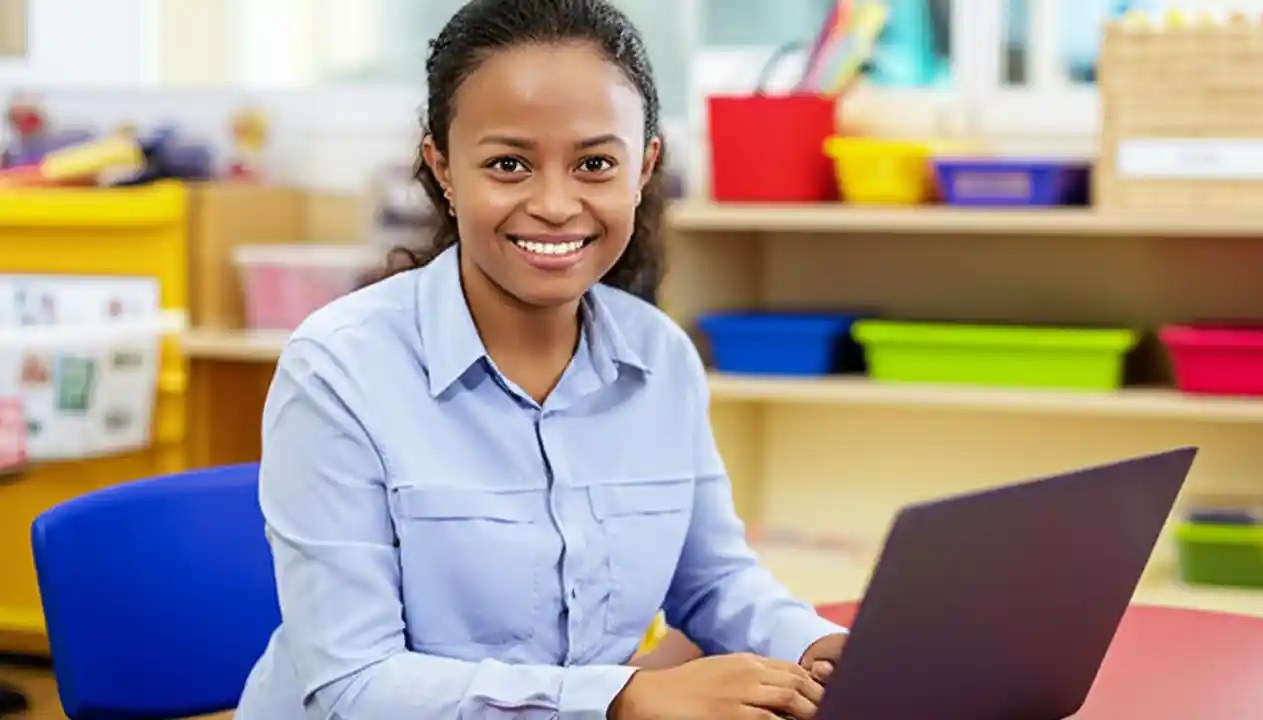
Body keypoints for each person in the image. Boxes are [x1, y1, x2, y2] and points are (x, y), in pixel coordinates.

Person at [234, 1, 847, 718]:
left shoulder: (661, 359)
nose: (556, 204)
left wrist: (814, 646)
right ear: (443, 169)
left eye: (594, 163)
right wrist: (621, 700)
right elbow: (354, 685)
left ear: (644, 167)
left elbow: (712, 583)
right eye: (508, 164)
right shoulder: (338, 370)